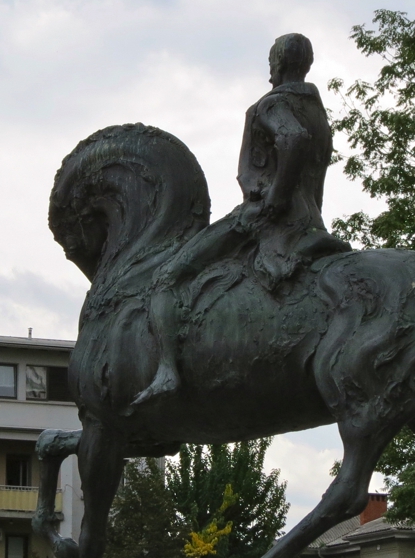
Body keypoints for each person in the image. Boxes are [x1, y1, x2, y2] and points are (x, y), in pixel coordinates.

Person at [131, 33, 351, 407]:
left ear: (278, 64)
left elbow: (291, 138)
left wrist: (275, 199)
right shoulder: (317, 110)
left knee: (168, 277)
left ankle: (168, 370)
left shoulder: (274, 104)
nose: (270, 72)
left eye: (271, 63)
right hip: (310, 221)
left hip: (263, 218)